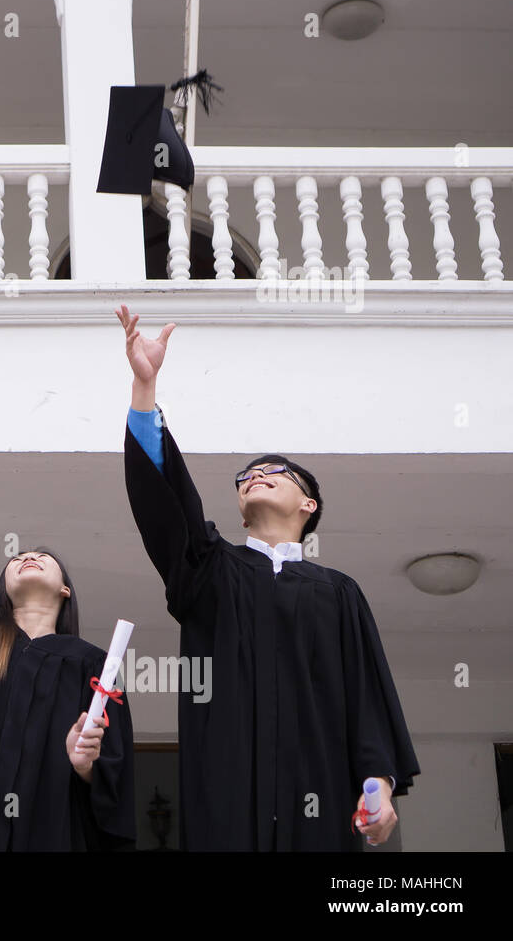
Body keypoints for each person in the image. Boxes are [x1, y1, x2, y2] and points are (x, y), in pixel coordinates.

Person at [116, 304, 420, 850]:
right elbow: (169, 509)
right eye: (246, 476)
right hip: (227, 806)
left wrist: (379, 783)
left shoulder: (339, 593)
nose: (256, 475)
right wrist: (146, 391)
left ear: (309, 503)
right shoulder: (212, 571)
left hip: (320, 806)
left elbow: (366, 698)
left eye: (274, 471)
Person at [0, 374, 135, 850]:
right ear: (1, 592)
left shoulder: (96, 667)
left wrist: (86, 765)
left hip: (55, 825)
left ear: (65, 589)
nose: (27, 557)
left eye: (43, 556)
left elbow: (112, 780)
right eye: (17, 559)